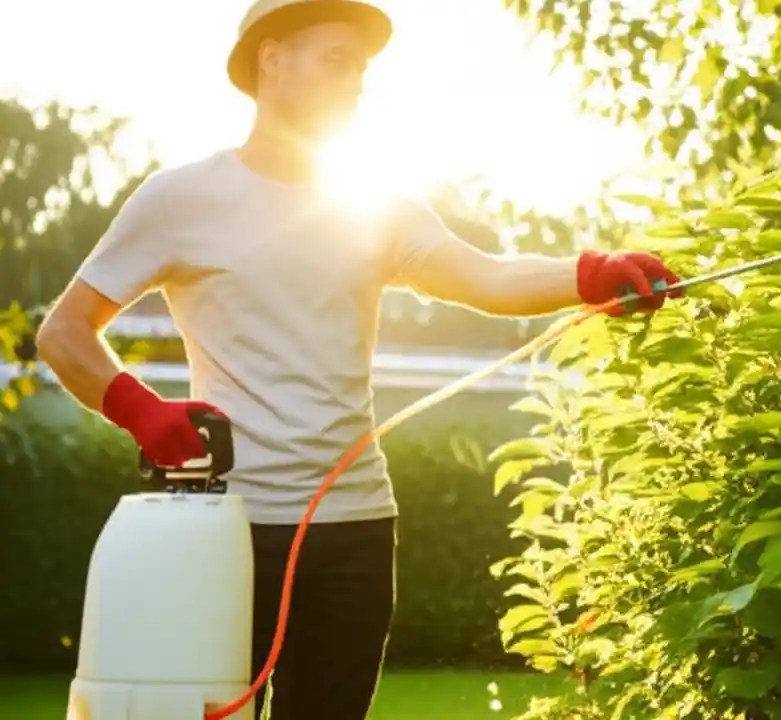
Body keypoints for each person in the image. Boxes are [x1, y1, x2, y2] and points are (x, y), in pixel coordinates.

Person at [34, 1, 681, 718]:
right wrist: (141, 412)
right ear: (271, 60)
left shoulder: (373, 206)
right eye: (336, 61)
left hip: (355, 525)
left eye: (362, 70)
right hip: (226, 530)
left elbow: (486, 278)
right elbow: (64, 333)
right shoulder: (181, 199)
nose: (355, 84)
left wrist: (590, 273)